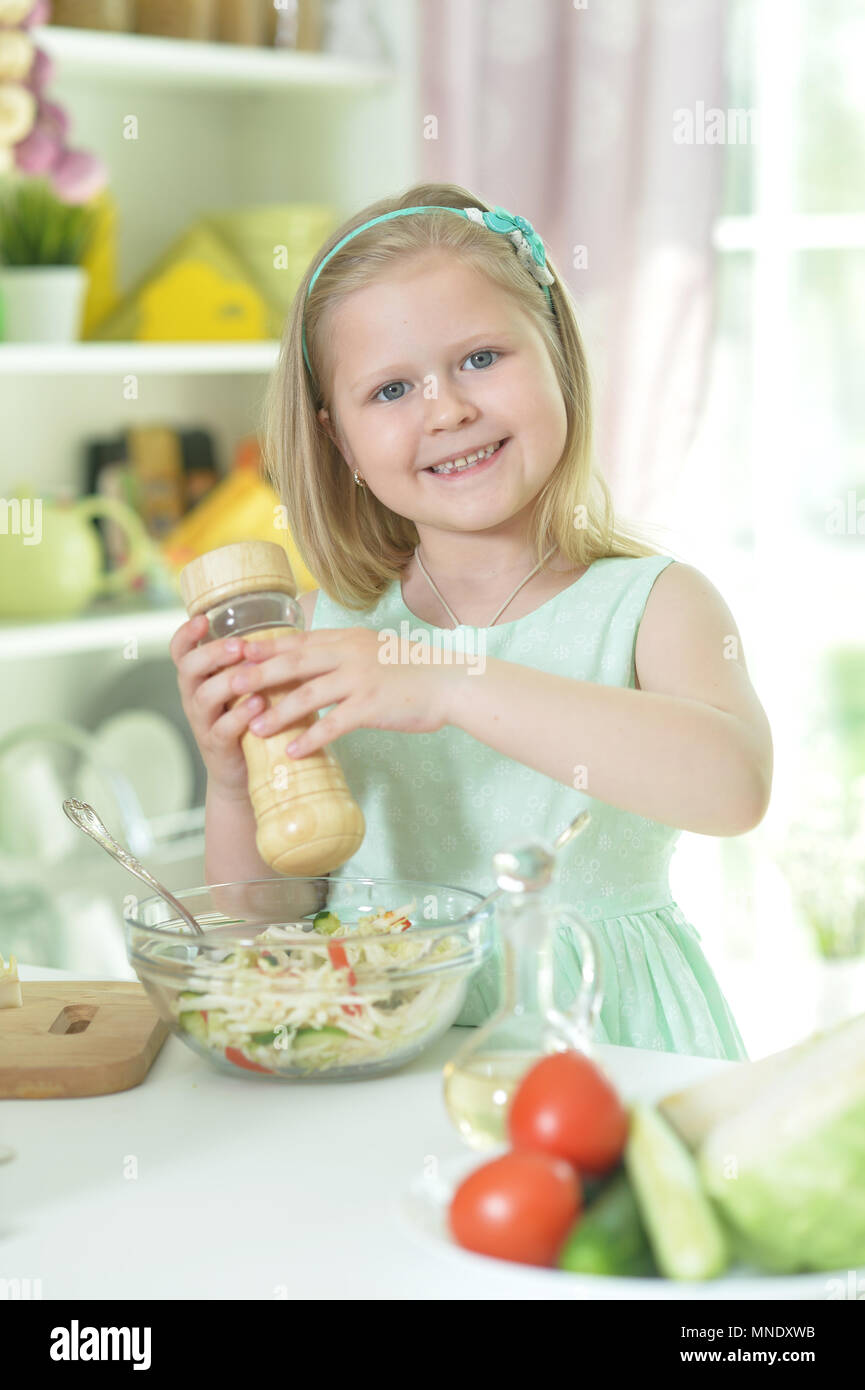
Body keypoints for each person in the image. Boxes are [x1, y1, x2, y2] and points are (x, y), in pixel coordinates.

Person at [170, 182, 773, 1061]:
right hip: (378, 1049)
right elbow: (263, 925)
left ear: (559, 356)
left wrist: (448, 679)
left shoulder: (655, 604)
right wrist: (232, 783)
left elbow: (733, 789)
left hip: (607, 1049)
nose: (445, 408)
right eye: (390, 389)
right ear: (340, 442)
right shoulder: (321, 629)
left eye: (482, 359)